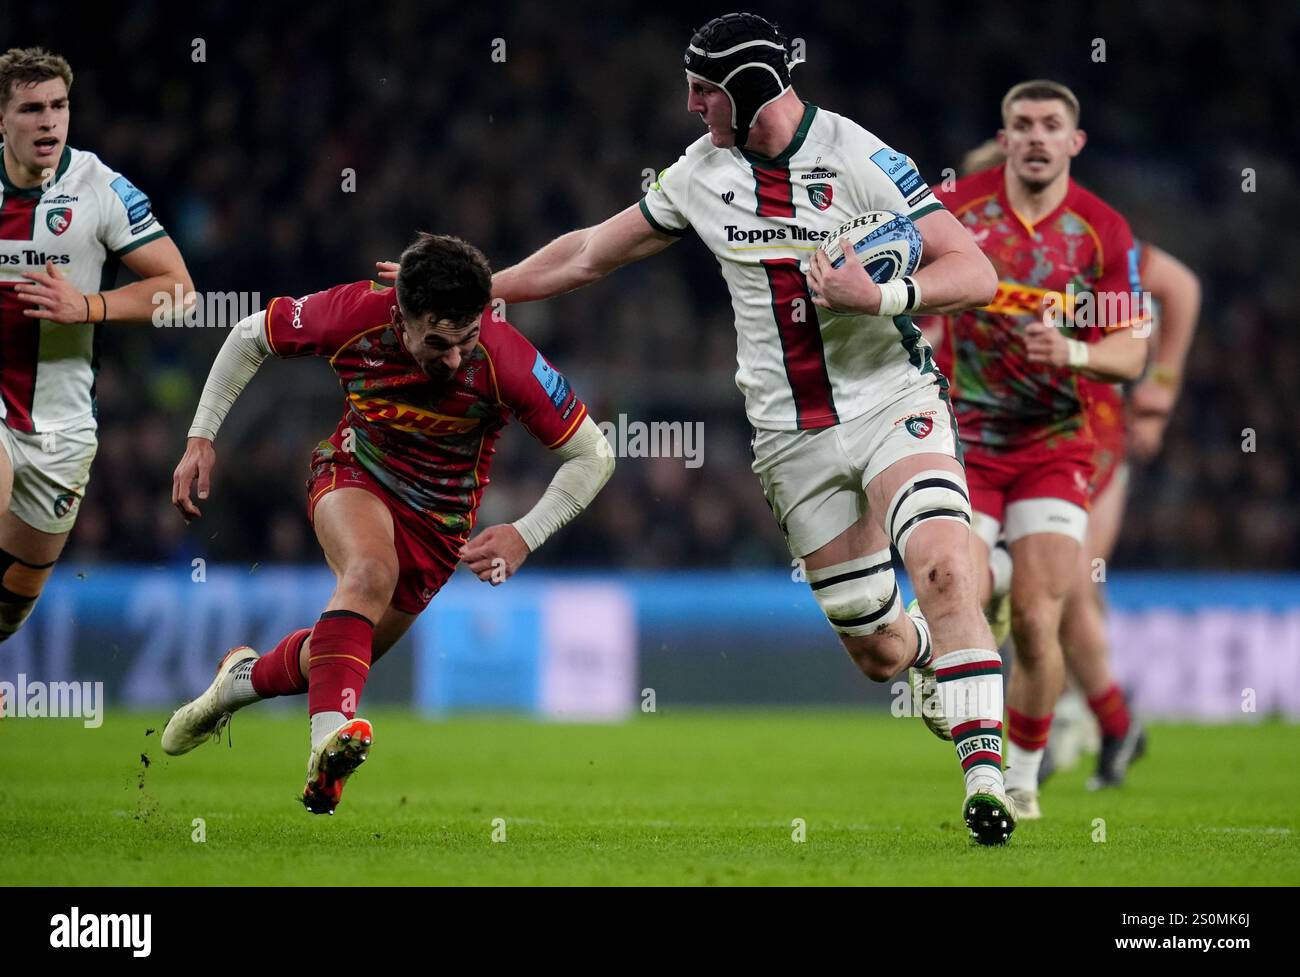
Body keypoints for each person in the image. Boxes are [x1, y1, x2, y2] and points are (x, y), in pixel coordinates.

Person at [469, 12, 1014, 844]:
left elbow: (974, 270)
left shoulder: (859, 157)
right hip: (790, 438)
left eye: (702, 90)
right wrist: (486, 290)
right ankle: (941, 658)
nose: (691, 107)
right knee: (877, 647)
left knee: (941, 565)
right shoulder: (699, 175)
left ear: (748, 88)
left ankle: (986, 773)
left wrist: (881, 297)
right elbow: (589, 253)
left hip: (887, 400)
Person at [163, 233, 613, 815]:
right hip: (354, 473)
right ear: (400, 318)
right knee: (370, 573)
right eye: (437, 343)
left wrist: (525, 534)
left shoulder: (505, 358)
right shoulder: (356, 313)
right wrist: (201, 436)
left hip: (438, 527)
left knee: (337, 657)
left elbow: (594, 455)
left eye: (467, 339)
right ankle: (326, 744)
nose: (454, 359)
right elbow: (250, 336)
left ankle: (238, 683)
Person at [933, 80, 1150, 818]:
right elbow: (908, 286)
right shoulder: (958, 209)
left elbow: (1130, 352)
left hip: (1056, 444)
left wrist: (1073, 353)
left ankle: (1020, 779)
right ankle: (977, 600)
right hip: (964, 438)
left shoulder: (1101, 231)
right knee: (956, 585)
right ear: (1004, 134)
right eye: (1021, 123)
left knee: (1038, 615)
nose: (1034, 135)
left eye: (1050, 125)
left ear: (1073, 142)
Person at [0, 47, 194, 642]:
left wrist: (88, 306)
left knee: (9, 610)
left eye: (59, 106)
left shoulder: (98, 186)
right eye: (31, 108)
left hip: (62, 428)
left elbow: (180, 293)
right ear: (1, 119)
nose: (49, 121)